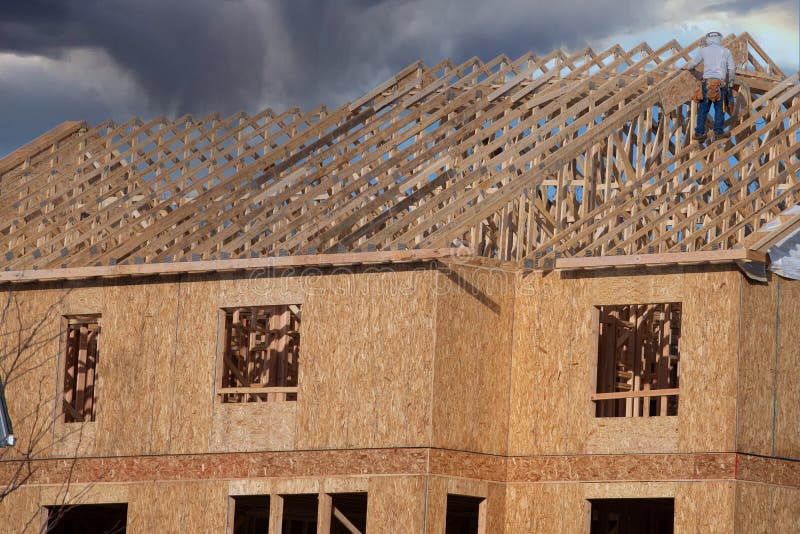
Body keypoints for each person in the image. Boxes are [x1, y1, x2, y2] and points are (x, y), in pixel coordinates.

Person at [682, 31, 736, 140]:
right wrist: (730, 83)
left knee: (703, 109)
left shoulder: (704, 51)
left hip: (706, 84)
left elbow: (691, 64)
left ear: (708, 39)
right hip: (720, 85)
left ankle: (699, 133)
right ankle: (718, 132)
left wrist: (689, 69)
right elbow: (732, 69)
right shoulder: (725, 51)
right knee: (719, 109)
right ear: (719, 39)